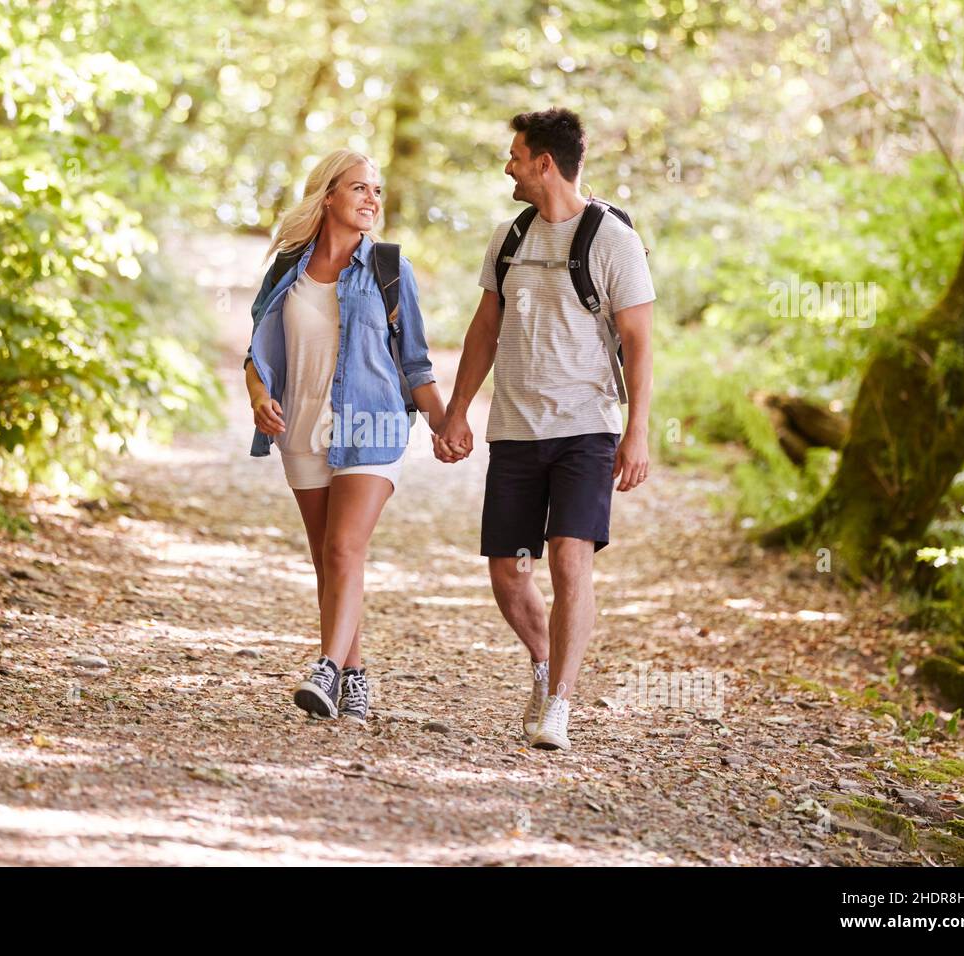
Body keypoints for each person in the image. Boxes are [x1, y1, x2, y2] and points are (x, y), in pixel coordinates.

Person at [435, 109, 656, 751]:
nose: (507, 166)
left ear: (544, 164)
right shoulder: (510, 237)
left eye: (515, 155)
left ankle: (560, 701)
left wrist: (636, 433)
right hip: (515, 429)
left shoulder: (612, 238)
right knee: (507, 571)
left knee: (568, 557)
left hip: (586, 427)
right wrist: (457, 412)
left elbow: (639, 342)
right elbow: (484, 329)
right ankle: (542, 659)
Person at [244, 149, 453, 723]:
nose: (371, 200)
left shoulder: (389, 268)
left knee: (344, 550)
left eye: (377, 191)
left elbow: (414, 361)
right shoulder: (288, 265)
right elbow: (257, 354)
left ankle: (327, 670)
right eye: (360, 188)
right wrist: (260, 399)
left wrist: (444, 421)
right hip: (302, 428)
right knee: (327, 561)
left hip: (374, 424)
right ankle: (356, 679)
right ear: (328, 195)